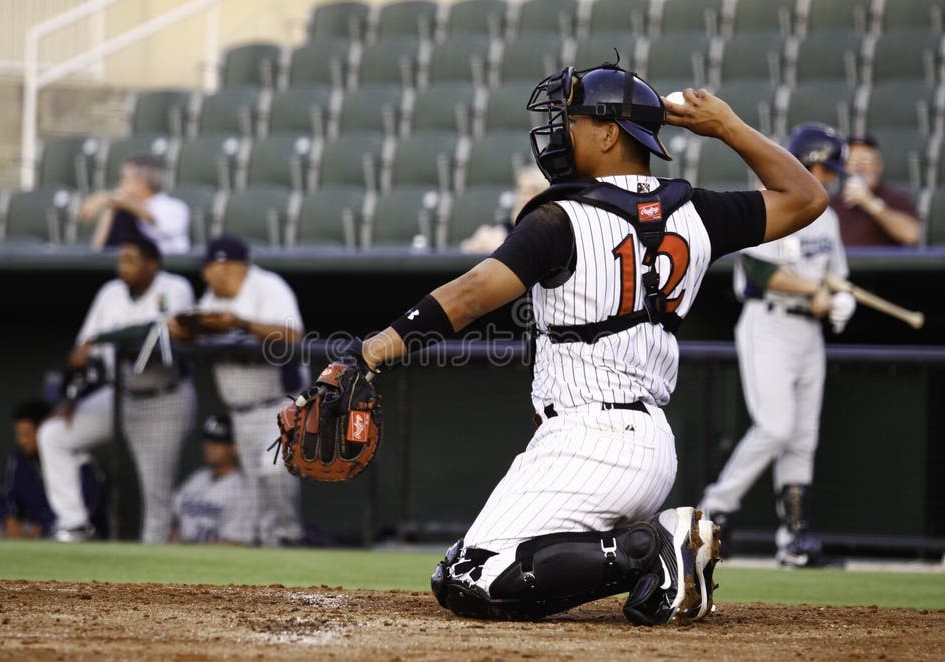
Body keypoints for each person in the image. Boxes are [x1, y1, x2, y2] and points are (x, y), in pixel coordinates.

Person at [313, 61, 828, 625]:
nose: (560, 131)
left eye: (572, 119)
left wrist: (368, 353)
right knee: (465, 567)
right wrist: (728, 126)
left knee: (469, 579)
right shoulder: (698, 212)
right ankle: (649, 553)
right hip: (646, 442)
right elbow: (806, 197)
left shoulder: (562, 218)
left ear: (609, 133)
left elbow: (470, 296)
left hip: (592, 440)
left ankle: (653, 550)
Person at [698, 122, 856, 568]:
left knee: (803, 436)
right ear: (809, 163)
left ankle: (794, 538)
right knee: (775, 426)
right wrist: (814, 290)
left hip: (808, 333)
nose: (832, 178)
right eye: (827, 168)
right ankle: (714, 508)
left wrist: (840, 297)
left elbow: (835, 276)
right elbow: (759, 274)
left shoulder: (828, 216)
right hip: (768, 323)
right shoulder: (773, 203)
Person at [38, 235, 196, 543]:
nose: (122, 267)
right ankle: (73, 524)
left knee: (157, 495)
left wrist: (104, 338)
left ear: (152, 265)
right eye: (121, 260)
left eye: (130, 261)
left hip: (164, 399)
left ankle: (155, 561)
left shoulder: (175, 288)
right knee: (53, 435)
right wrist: (74, 398)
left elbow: (160, 331)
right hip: (119, 395)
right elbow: (85, 351)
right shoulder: (110, 293)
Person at [169, 235, 307, 546]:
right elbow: (191, 329)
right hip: (241, 411)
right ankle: (271, 548)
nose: (205, 275)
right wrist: (181, 328)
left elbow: (292, 336)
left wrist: (241, 324)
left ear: (227, 267)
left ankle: (288, 538)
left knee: (275, 470)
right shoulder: (212, 299)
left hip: (280, 403)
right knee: (256, 487)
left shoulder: (268, 287)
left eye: (208, 268)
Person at [0, 400, 105, 540]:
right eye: (19, 434)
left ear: (43, 430)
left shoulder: (79, 460)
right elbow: (5, 496)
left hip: (62, 530)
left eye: (27, 434)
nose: (21, 441)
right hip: (26, 527)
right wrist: (10, 519)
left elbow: (88, 510)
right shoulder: (19, 460)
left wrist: (44, 526)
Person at [170, 414, 257, 545]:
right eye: (208, 441)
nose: (209, 447)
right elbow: (170, 516)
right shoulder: (196, 479)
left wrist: (188, 550)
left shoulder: (242, 489)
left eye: (217, 442)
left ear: (235, 448)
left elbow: (234, 542)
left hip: (213, 556)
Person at [79, 154, 191, 254]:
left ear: (140, 183)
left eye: (124, 179)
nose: (120, 185)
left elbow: (152, 220)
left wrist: (110, 199)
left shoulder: (174, 207)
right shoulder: (122, 209)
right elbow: (98, 250)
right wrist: (111, 208)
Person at [830, 133, 921, 246]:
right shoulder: (833, 203)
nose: (858, 167)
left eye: (866, 160)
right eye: (852, 161)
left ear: (879, 165)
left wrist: (869, 202)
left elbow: (911, 235)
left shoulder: (896, 198)